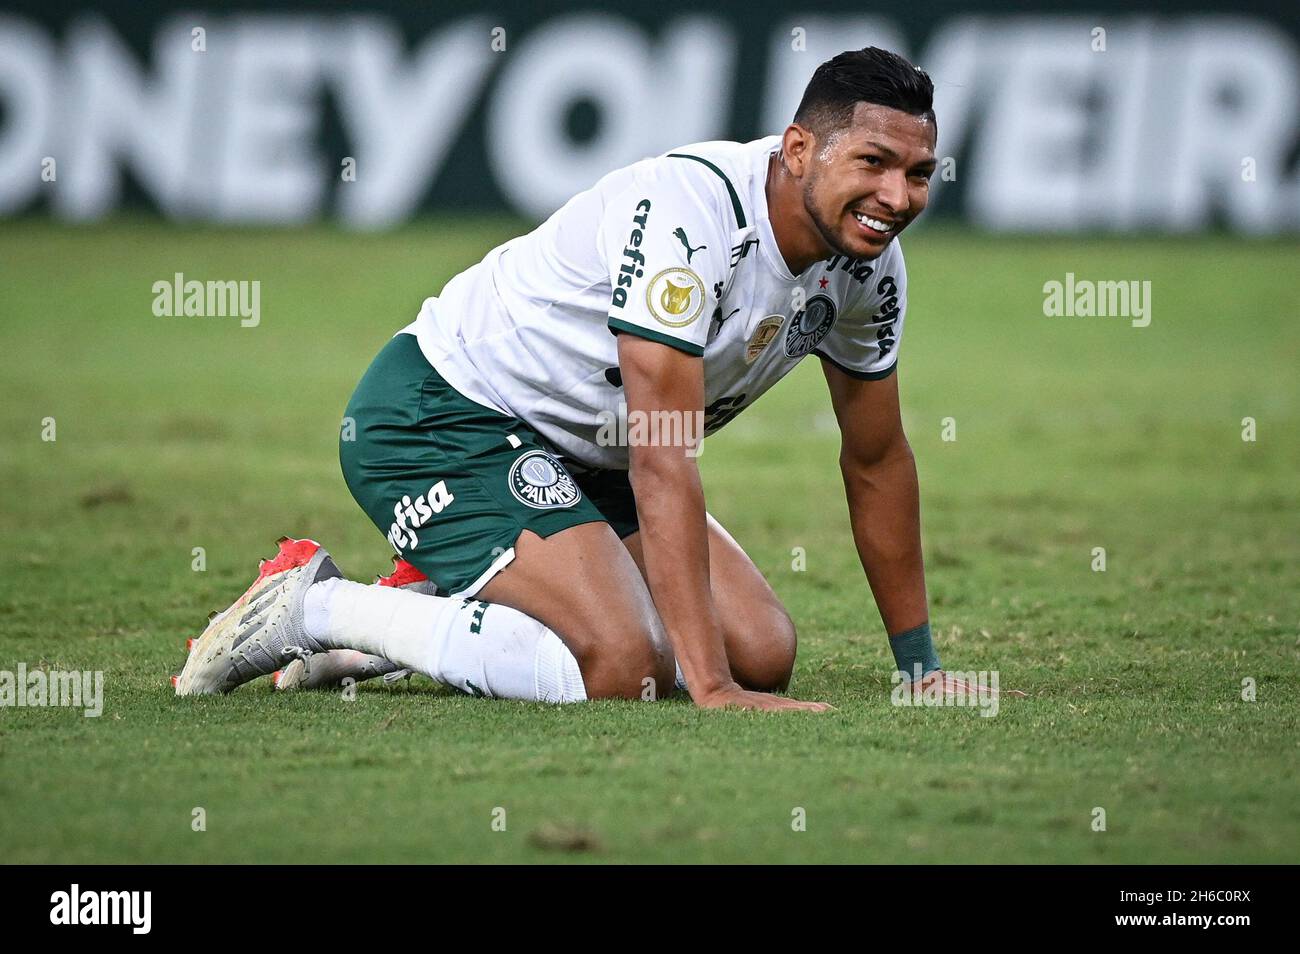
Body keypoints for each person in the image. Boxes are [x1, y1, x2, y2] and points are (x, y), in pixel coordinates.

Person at [176, 46, 1002, 712]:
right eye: (874, 162)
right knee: (623, 663)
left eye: (919, 173)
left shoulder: (868, 268)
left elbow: (877, 461)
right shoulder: (695, 216)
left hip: (584, 454)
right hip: (440, 415)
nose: (895, 196)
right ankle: (311, 605)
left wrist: (918, 667)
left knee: (764, 653)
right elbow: (663, 460)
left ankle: (429, 608)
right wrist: (708, 690)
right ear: (797, 149)